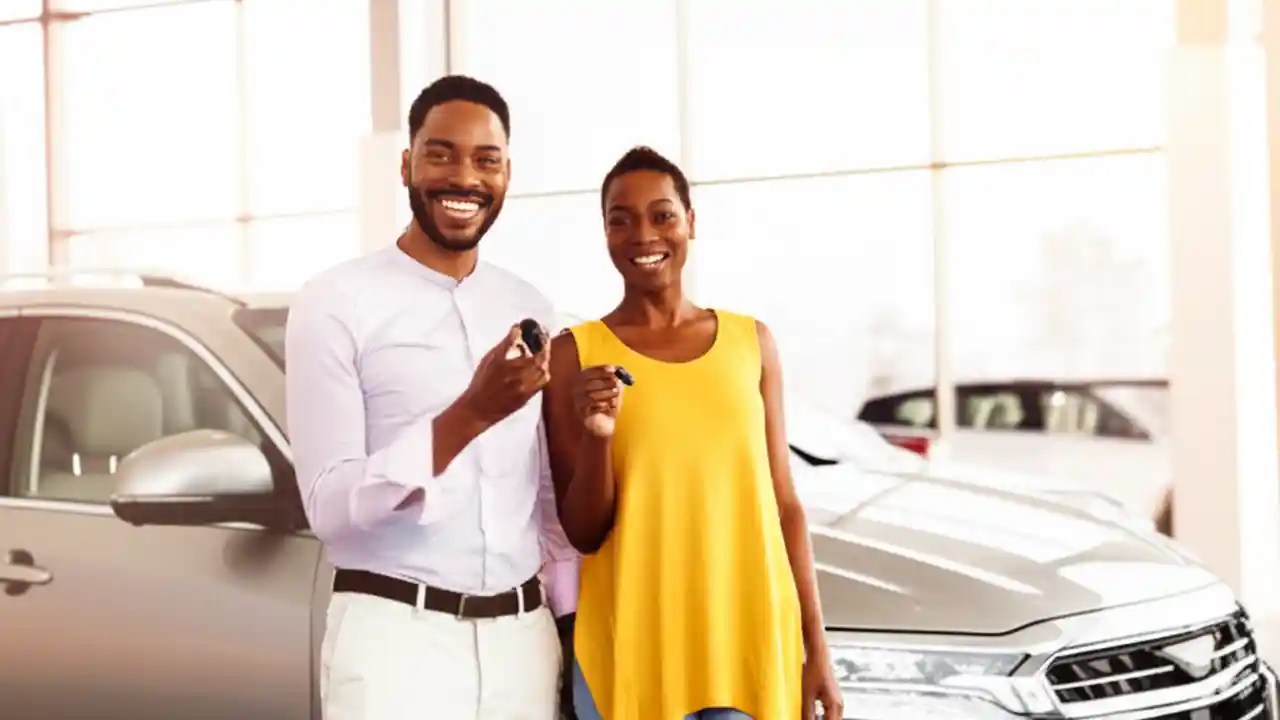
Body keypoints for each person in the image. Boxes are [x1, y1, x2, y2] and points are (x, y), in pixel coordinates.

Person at [285, 74, 579, 720]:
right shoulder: (335, 303)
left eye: (486, 159)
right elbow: (330, 507)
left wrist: (567, 627)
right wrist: (468, 415)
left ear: (507, 174)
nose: (464, 178)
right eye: (440, 152)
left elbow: (548, 504)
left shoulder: (530, 306)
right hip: (396, 642)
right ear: (405, 164)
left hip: (522, 648)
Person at [543, 147, 845, 720]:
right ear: (603, 233)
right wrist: (599, 436)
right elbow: (583, 532)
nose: (643, 235)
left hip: (752, 641)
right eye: (620, 219)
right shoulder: (574, 356)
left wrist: (817, 650)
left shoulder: (752, 343)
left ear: (690, 222)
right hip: (633, 647)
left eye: (662, 215)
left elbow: (785, 506)